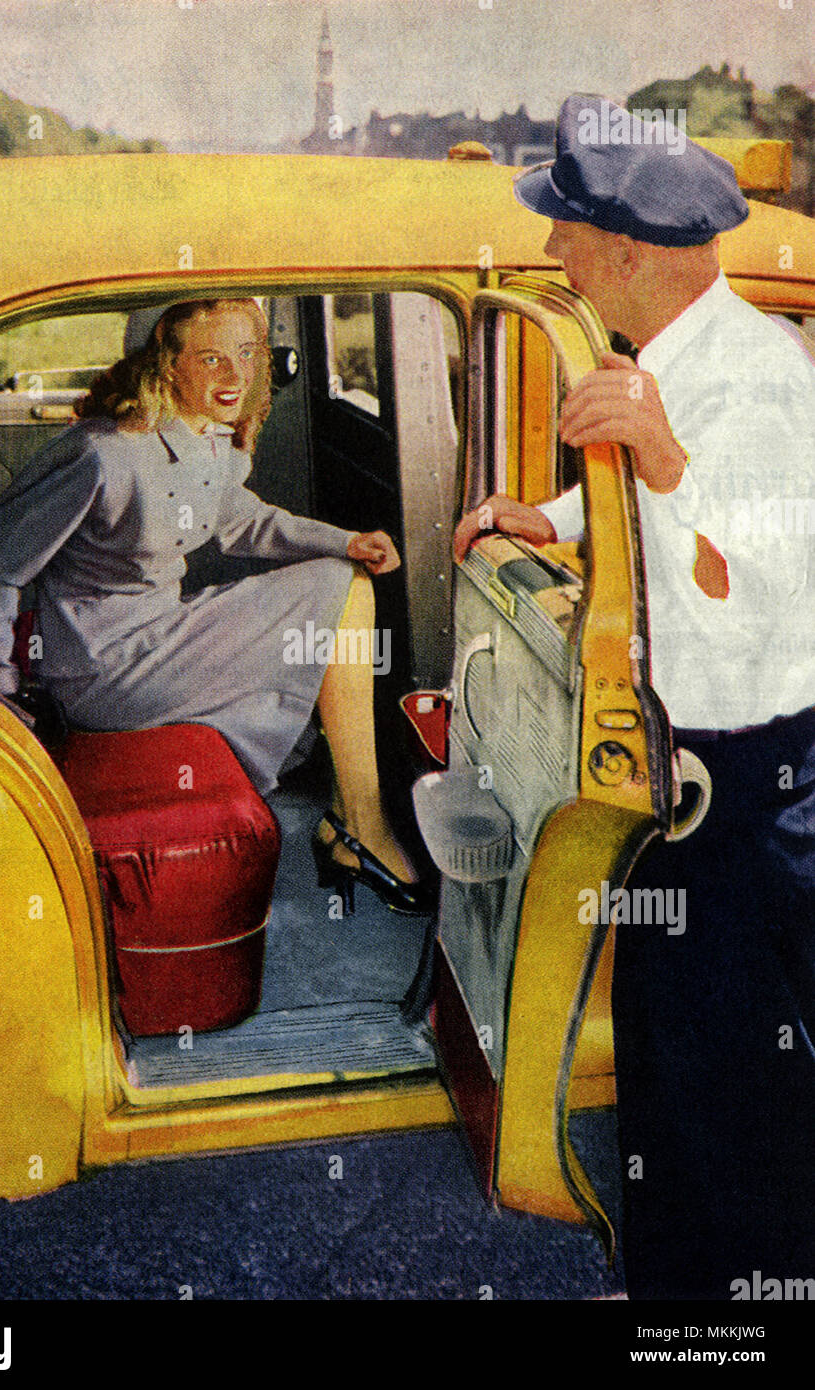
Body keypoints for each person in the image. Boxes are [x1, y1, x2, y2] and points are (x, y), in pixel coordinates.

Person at [454, 94, 815, 1299]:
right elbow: (647, 523)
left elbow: (754, 593)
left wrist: (662, 464)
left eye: (568, 232)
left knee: (725, 1077)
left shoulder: (758, 381)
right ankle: (678, 1286)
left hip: (750, 785)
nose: (553, 251)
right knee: (670, 1051)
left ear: (625, 250)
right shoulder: (668, 358)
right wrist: (548, 516)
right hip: (684, 777)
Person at [0, 297, 428, 914]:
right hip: (104, 670)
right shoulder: (104, 453)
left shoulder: (204, 439)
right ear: (166, 363)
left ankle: (351, 820)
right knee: (341, 592)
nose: (235, 376)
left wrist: (343, 541)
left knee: (343, 577)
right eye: (211, 358)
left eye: (247, 354)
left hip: (158, 634)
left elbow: (241, 522)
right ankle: (359, 827)